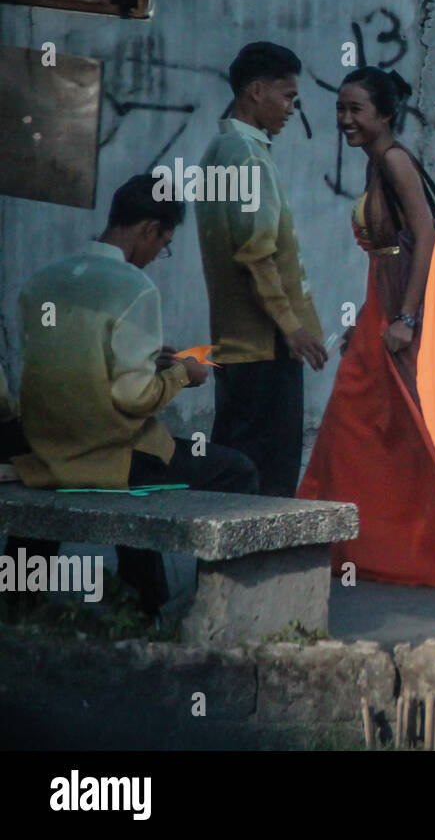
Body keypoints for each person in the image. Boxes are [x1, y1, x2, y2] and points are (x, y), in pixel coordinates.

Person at [11, 175, 258, 615]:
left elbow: (65, 366)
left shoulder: (42, 281)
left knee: (146, 474)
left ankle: (21, 601)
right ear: (147, 230)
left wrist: (150, 361)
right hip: (109, 457)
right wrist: (183, 374)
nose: (156, 256)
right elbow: (132, 397)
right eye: (162, 244)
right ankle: (213, 611)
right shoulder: (134, 286)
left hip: (45, 451)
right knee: (236, 472)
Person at [296, 68, 435, 586]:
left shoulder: (392, 160)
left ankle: (420, 548)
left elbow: (427, 236)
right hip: (380, 312)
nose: (345, 119)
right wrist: (369, 320)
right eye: (340, 108)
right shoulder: (378, 162)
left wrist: (406, 318)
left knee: (401, 431)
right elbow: (392, 252)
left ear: (384, 115)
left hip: (398, 315)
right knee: (365, 430)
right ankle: (363, 547)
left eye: (356, 109)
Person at [196, 41, 326, 497]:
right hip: (265, 348)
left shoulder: (218, 149)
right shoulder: (247, 156)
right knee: (266, 489)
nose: (292, 108)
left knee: (232, 480)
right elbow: (255, 255)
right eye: (287, 96)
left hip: (236, 350)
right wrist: (292, 327)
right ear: (256, 91)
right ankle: (261, 571)